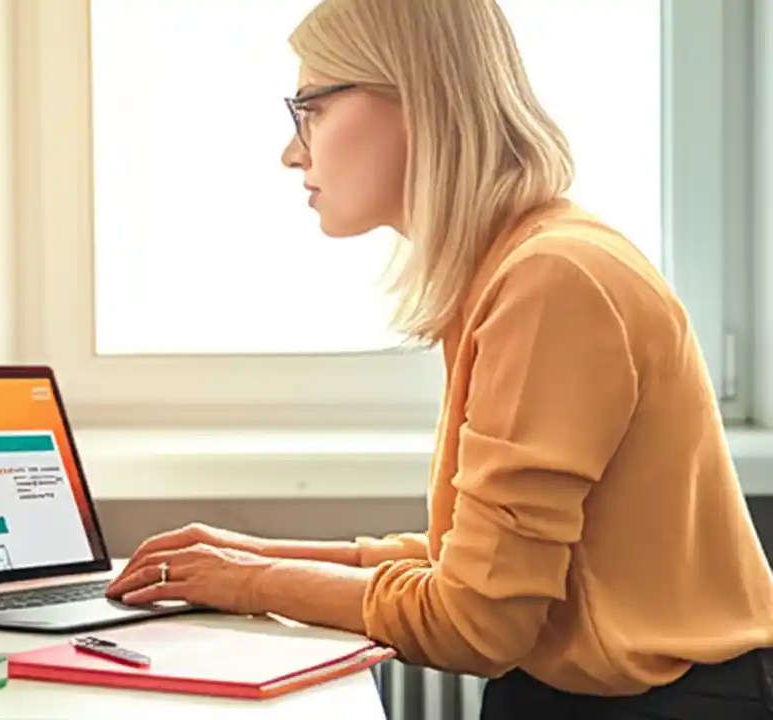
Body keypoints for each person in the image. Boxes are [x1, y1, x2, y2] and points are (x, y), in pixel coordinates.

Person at [103, 0, 773, 717]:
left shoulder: (553, 280)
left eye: (311, 109)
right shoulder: (519, 265)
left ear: (417, 96)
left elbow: (475, 621)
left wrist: (250, 582)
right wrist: (248, 557)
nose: (292, 152)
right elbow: (471, 564)